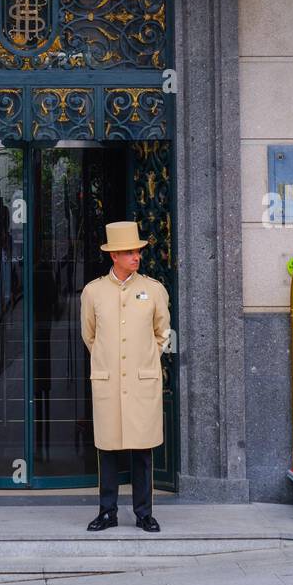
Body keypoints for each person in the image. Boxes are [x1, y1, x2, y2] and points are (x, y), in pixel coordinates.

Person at [80, 220, 171, 532]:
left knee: (142, 449)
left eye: (138, 251)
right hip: (108, 381)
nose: (137, 257)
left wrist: (145, 359)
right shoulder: (93, 292)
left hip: (141, 380)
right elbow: (89, 336)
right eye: (130, 252)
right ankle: (108, 512)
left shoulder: (154, 290)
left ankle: (144, 513)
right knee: (107, 448)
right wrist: (107, 362)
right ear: (114, 256)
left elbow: (163, 333)